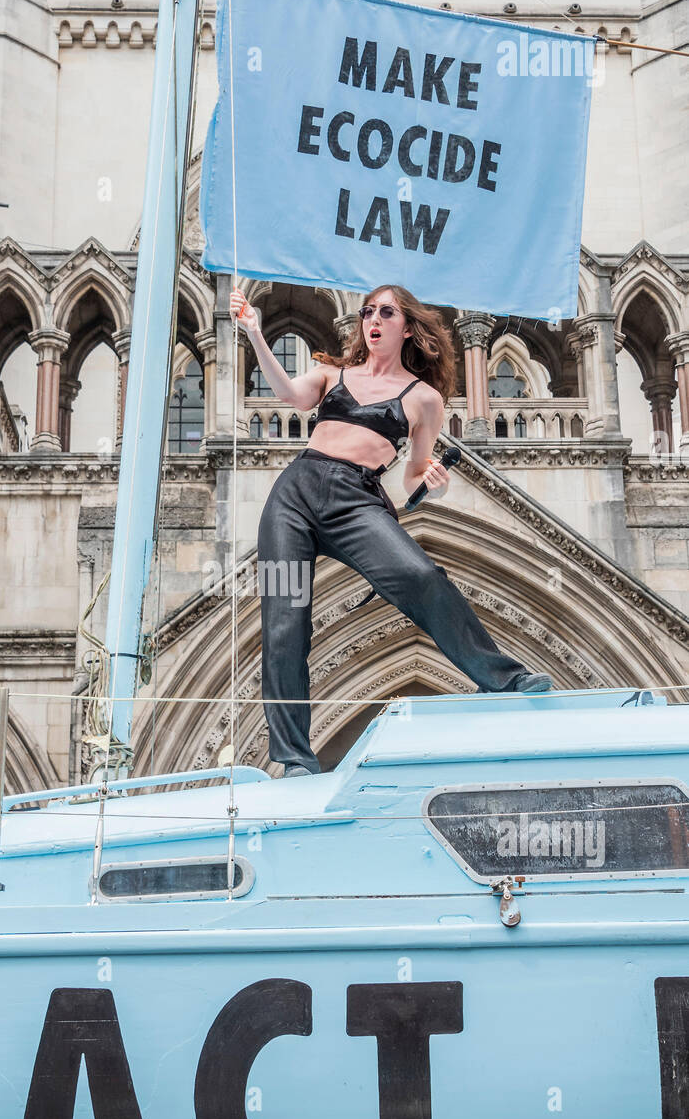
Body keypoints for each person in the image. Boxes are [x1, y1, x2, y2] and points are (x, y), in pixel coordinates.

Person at [230, 283, 553, 778]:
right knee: (283, 623)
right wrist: (254, 332)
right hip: (292, 498)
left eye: (386, 311)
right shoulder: (334, 374)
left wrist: (435, 487)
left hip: (355, 501)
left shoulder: (423, 398)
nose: (373, 319)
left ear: (407, 326)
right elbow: (289, 396)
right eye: (367, 312)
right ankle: (294, 758)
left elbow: (413, 474)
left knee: (422, 576)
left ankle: (503, 678)